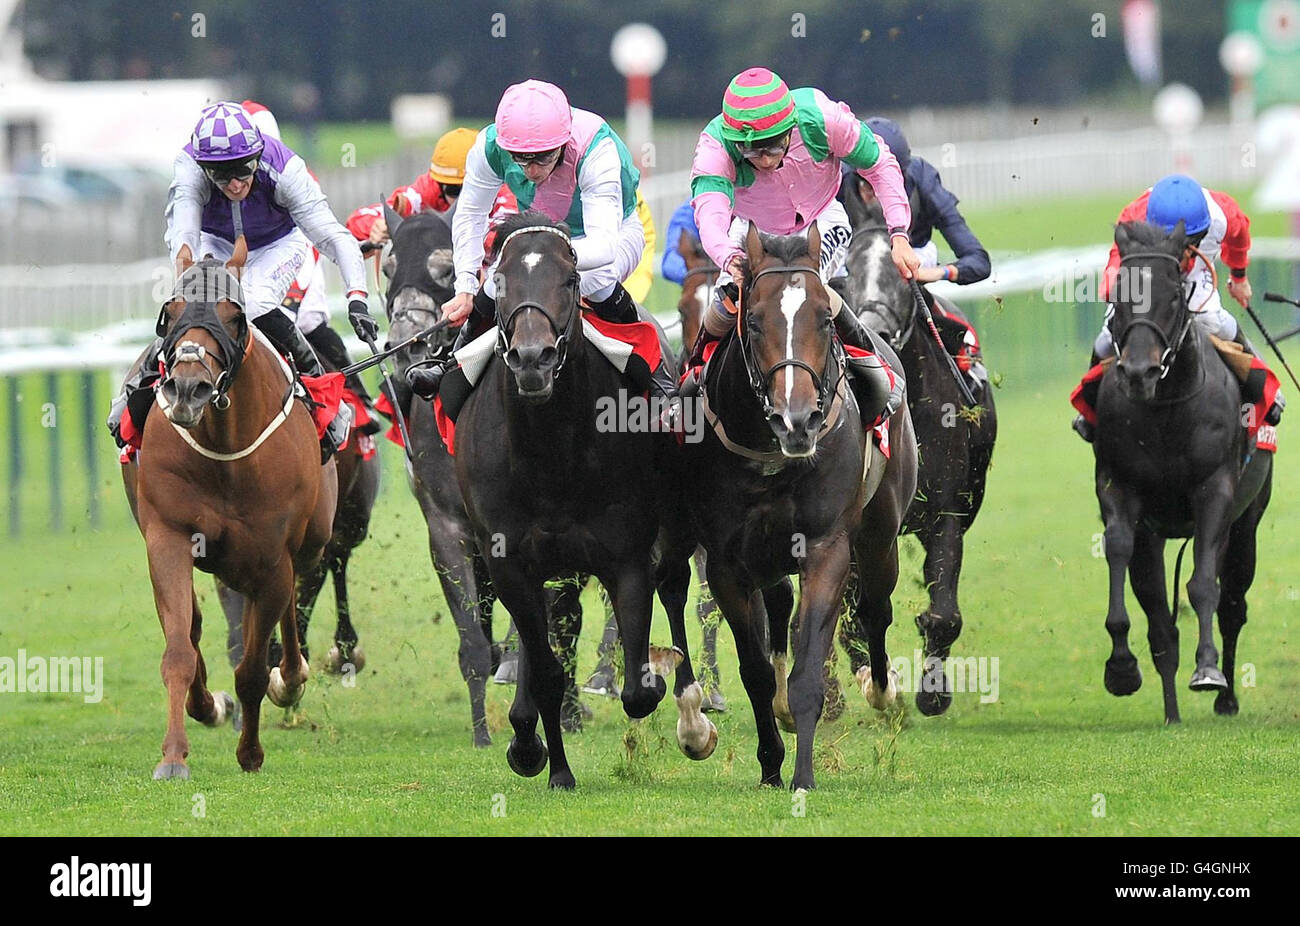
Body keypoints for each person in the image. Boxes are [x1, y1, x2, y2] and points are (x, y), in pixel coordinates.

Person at [107, 101, 377, 457]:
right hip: (214, 241)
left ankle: (325, 402)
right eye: (221, 175)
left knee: (251, 303)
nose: (235, 184)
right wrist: (188, 284)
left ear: (257, 154)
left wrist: (357, 296)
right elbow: (184, 231)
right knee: (194, 306)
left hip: (278, 244)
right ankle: (137, 397)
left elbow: (333, 237)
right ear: (204, 168)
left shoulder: (285, 168)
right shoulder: (189, 166)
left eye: (243, 169)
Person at [408, 79, 676, 404]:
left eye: (543, 158)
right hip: (535, 242)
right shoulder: (490, 145)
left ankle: (657, 374)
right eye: (521, 158)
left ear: (563, 143)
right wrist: (465, 286)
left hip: (614, 236)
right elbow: (470, 215)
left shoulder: (596, 148)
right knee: (496, 286)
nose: (532, 170)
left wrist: (544, 259)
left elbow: (604, 246)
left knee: (593, 281)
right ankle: (450, 360)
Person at [684, 67, 918, 423]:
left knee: (807, 293)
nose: (764, 161)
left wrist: (899, 232)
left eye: (773, 148)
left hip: (821, 223)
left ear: (790, 128)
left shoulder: (824, 120)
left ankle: (873, 367)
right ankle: (693, 374)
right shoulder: (715, 146)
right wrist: (728, 257)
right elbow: (710, 212)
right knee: (728, 296)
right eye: (752, 152)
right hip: (752, 233)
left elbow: (880, 164)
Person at [1071, 173, 1285, 442]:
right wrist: (1115, 290)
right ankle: (1090, 412)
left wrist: (1239, 277)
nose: (1184, 252)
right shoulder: (1135, 214)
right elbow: (1118, 258)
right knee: (1107, 334)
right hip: (1148, 272)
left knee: (1213, 321)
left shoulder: (1223, 211)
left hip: (1198, 272)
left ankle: (1265, 387)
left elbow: (1240, 237)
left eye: (1191, 241)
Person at [242, 101, 379, 434]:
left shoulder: (292, 174)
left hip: (296, 257)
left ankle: (356, 404)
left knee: (308, 321)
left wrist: (289, 298)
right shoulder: (217, 180)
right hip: (243, 269)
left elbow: (313, 238)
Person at [842, 116, 991, 392]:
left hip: (913, 263)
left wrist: (936, 273)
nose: (874, 194)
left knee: (949, 324)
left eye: (884, 183)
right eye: (866, 184)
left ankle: (969, 375)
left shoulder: (923, 182)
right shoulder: (838, 180)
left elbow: (978, 261)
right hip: (852, 265)